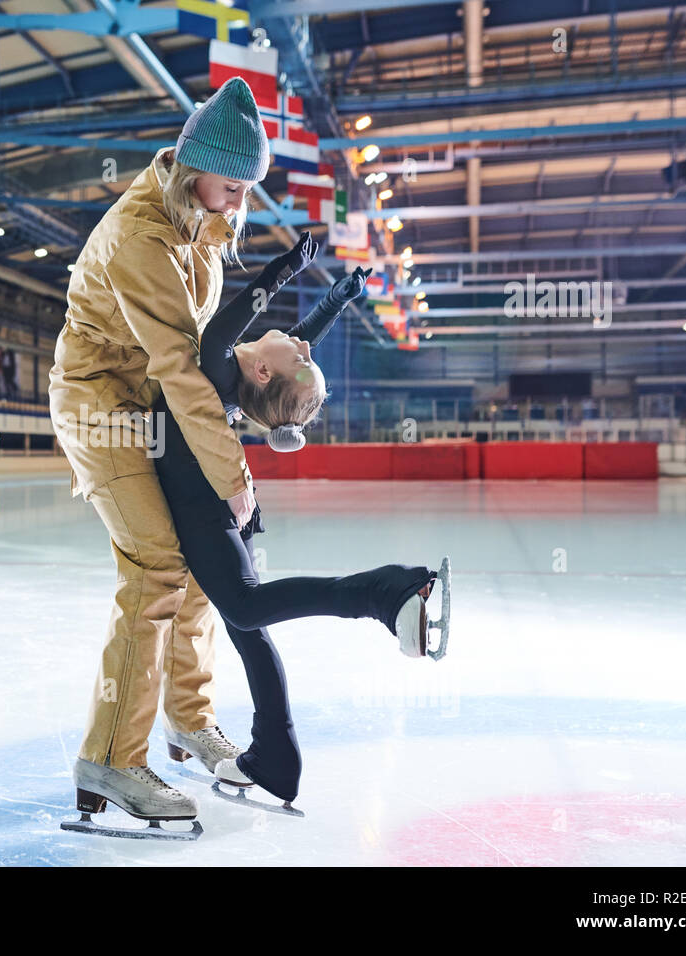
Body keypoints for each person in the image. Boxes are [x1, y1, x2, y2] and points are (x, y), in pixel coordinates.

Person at [151, 232, 447, 807]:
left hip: (206, 511)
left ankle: (386, 591)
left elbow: (220, 331)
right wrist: (336, 300)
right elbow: (298, 342)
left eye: (301, 358)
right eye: (307, 355)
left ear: (264, 372)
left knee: (245, 611)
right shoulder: (246, 373)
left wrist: (283, 269)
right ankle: (276, 758)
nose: (305, 346)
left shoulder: (217, 371)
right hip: (216, 506)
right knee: (249, 629)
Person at [49, 78, 272, 833]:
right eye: (233, 187)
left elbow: (202, 356)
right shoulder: (145, 235)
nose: (238, 204)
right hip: (100, 405)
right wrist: (234, 473)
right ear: (196, 168)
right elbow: (180, 366)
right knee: (154, 567)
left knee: (202, 557)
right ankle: (111, 756)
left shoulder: (197, 222)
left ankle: (187, 718)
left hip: (148, 404)